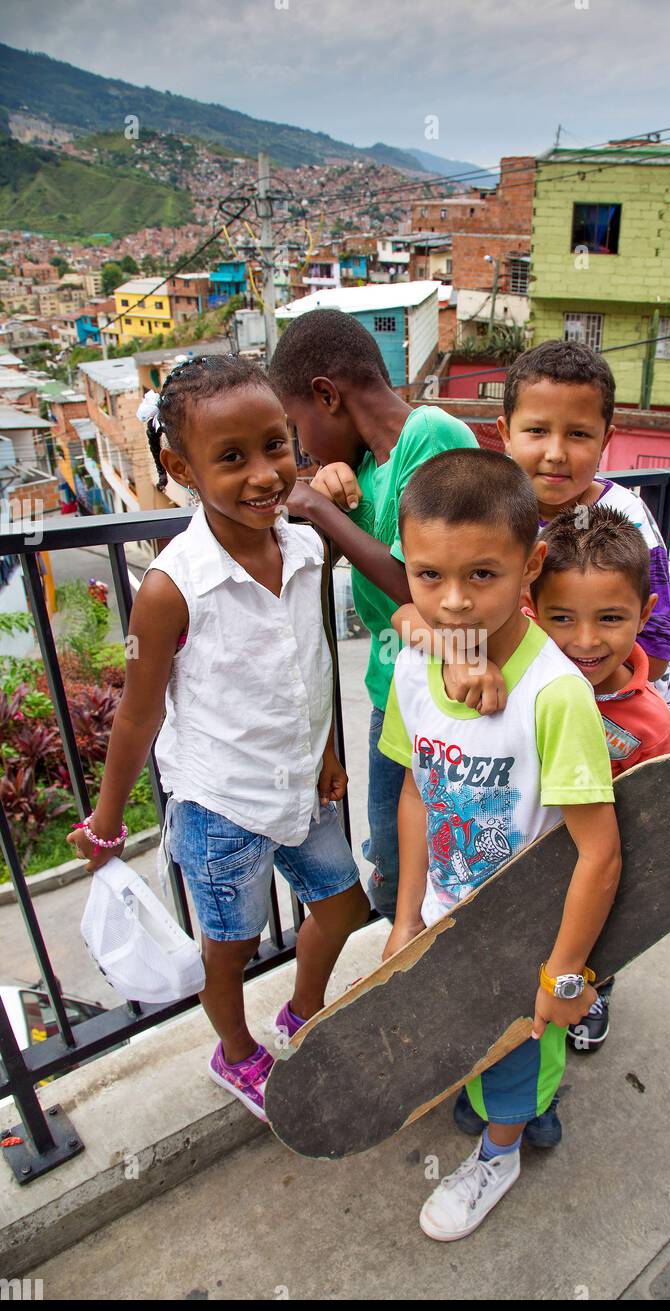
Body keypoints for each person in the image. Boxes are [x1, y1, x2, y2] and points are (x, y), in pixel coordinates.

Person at [66, 354, 369, 1121]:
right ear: (180, 467)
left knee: (342, 910)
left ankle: (302, 1014)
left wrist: (327, 747)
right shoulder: (172, 588)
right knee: (227, 951)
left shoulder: (303, 547)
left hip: (304, 783)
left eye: (276, 446)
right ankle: (235, 1055)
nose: (265, 474)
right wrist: (106, 822)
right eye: (230, 458)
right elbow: (139, 713)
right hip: (221, 807)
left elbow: (312, 660)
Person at [378, 447, 621, 1239]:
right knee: (467, 1035)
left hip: (524, 933)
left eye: (482, 576)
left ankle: (503, 1150)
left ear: (532, 564)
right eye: (428, 577)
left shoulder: (556, 698)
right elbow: (417, 790)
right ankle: (509, 1109)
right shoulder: (415, 670)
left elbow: (599, 852)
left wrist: (565, 972)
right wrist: (406, 916)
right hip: (447, 915)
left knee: (518, 1056)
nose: (452, 603)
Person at [268, 309, 478, 923]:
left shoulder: (431, 435)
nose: (303, 448)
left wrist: (316, 504)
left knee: (449, 856)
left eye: (298, 427)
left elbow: (427, 584)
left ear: (326, 395)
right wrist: (328, 491)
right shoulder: (364, 470)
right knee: (390, 865)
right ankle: (409, 961)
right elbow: (331, 555)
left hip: (451, 687)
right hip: (393, 694)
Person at [497, 338, 670, 736]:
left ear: (605, 442)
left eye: (578, 434)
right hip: (533, 724)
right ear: (505, 432)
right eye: (537, 430)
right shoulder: (492, 517)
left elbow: (658, 649)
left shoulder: (629, 519)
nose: (556, 452)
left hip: (624, 735)